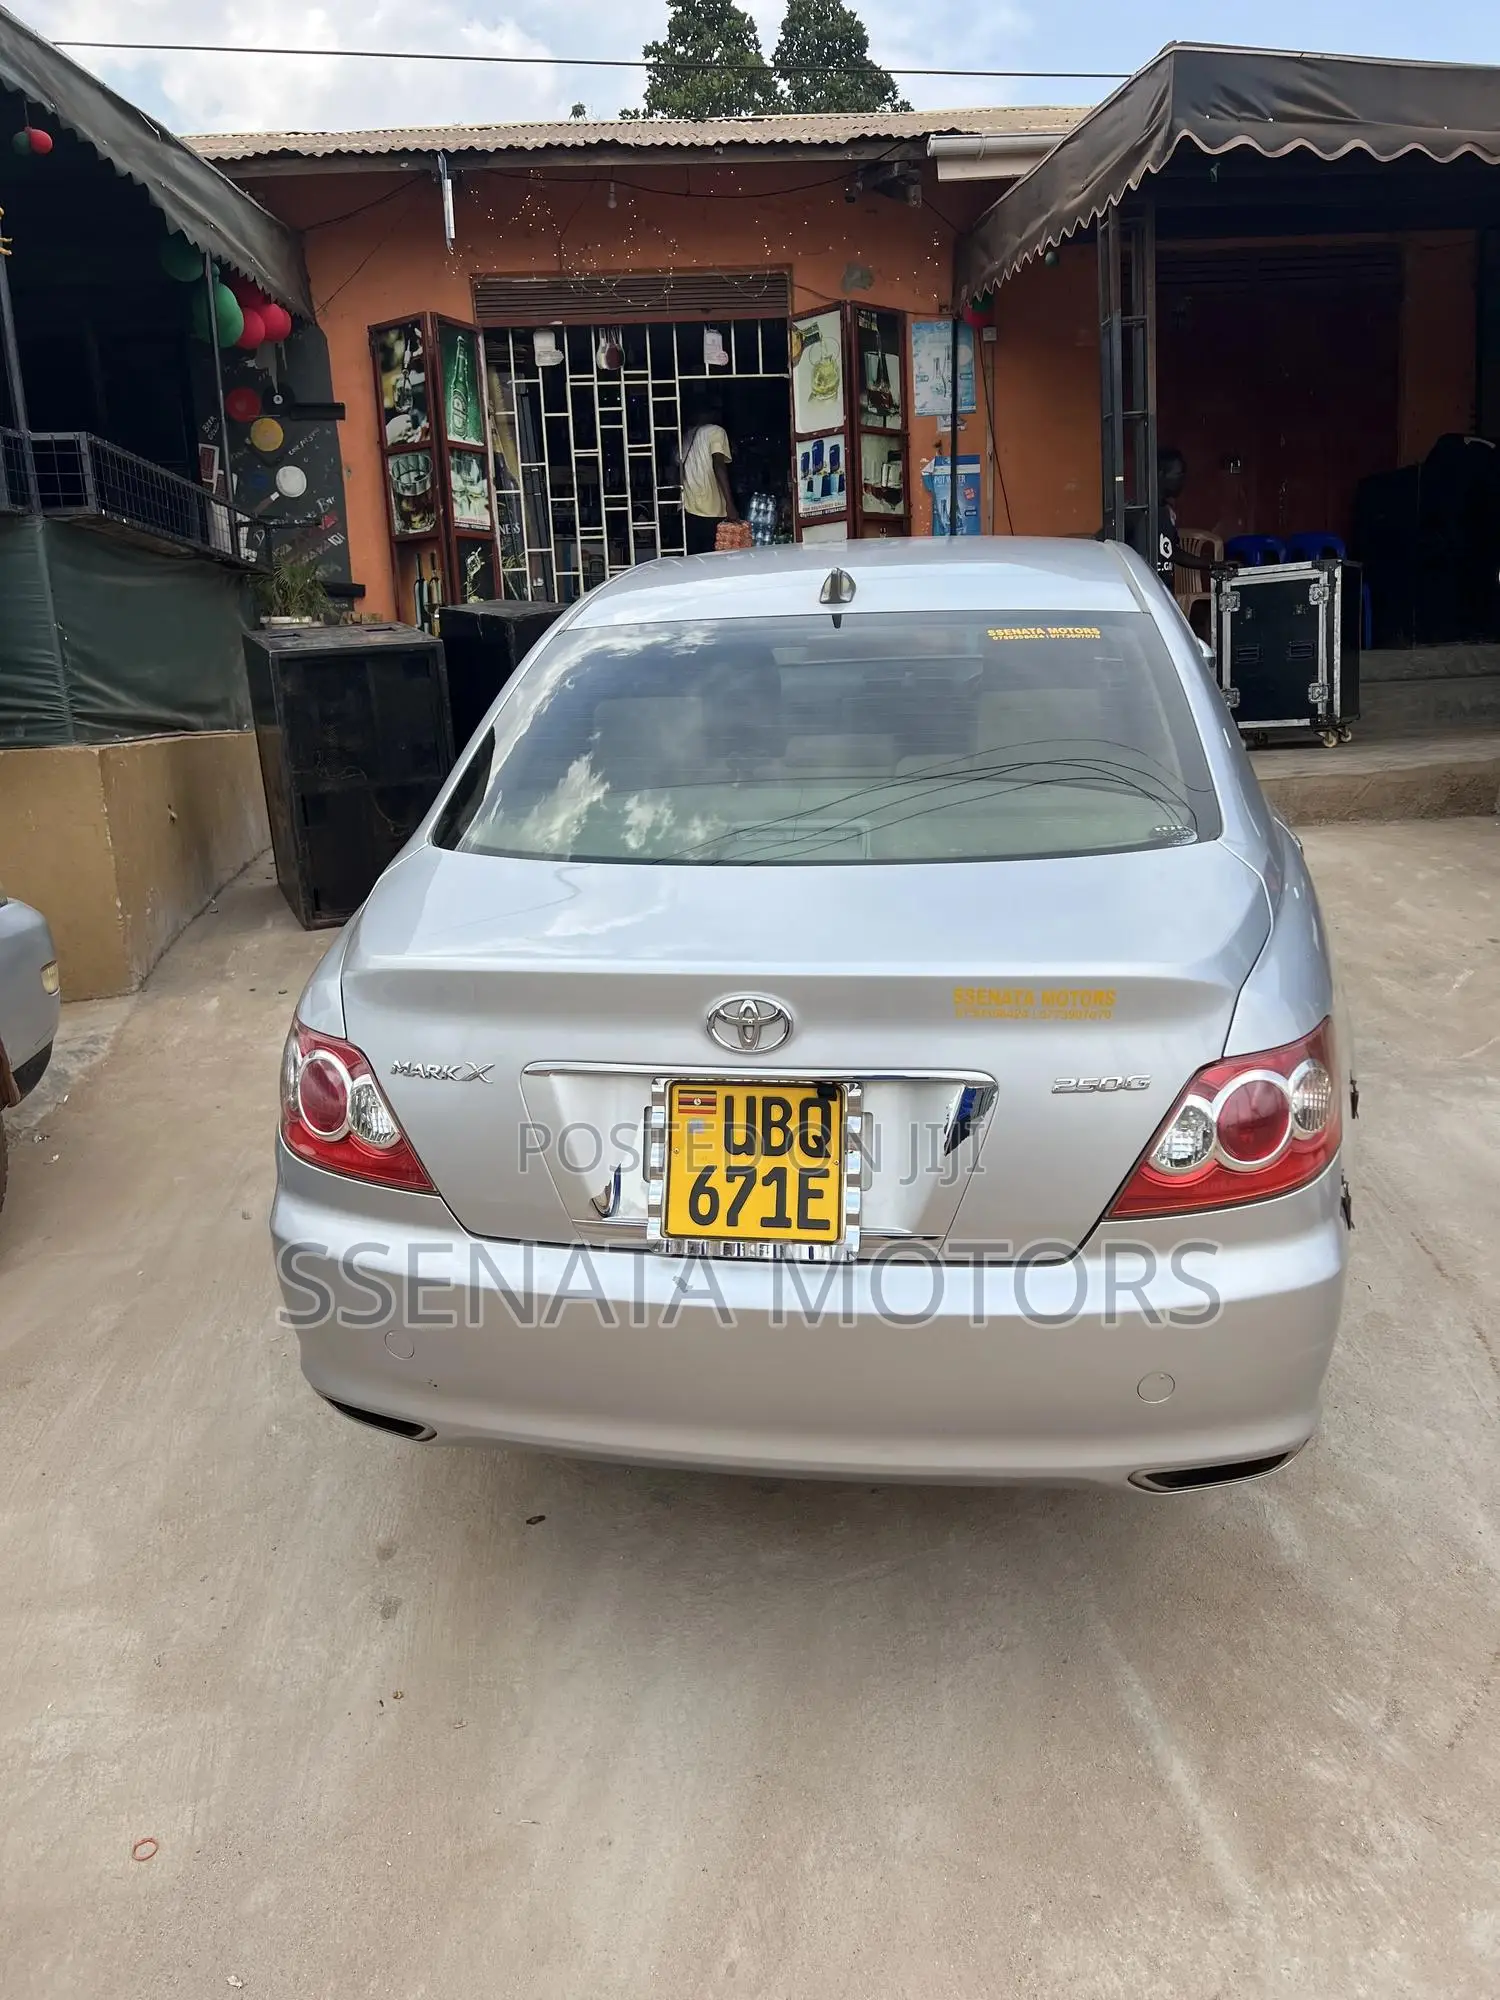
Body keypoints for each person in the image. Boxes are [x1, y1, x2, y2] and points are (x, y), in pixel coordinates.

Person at [680, 395, 740, 554]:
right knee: (714, 560)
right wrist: (730, 504)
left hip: (689, 508)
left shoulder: (687, 436)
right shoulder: (716, 431)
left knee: (695, 559)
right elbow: (719, 464)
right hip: (711, 509)